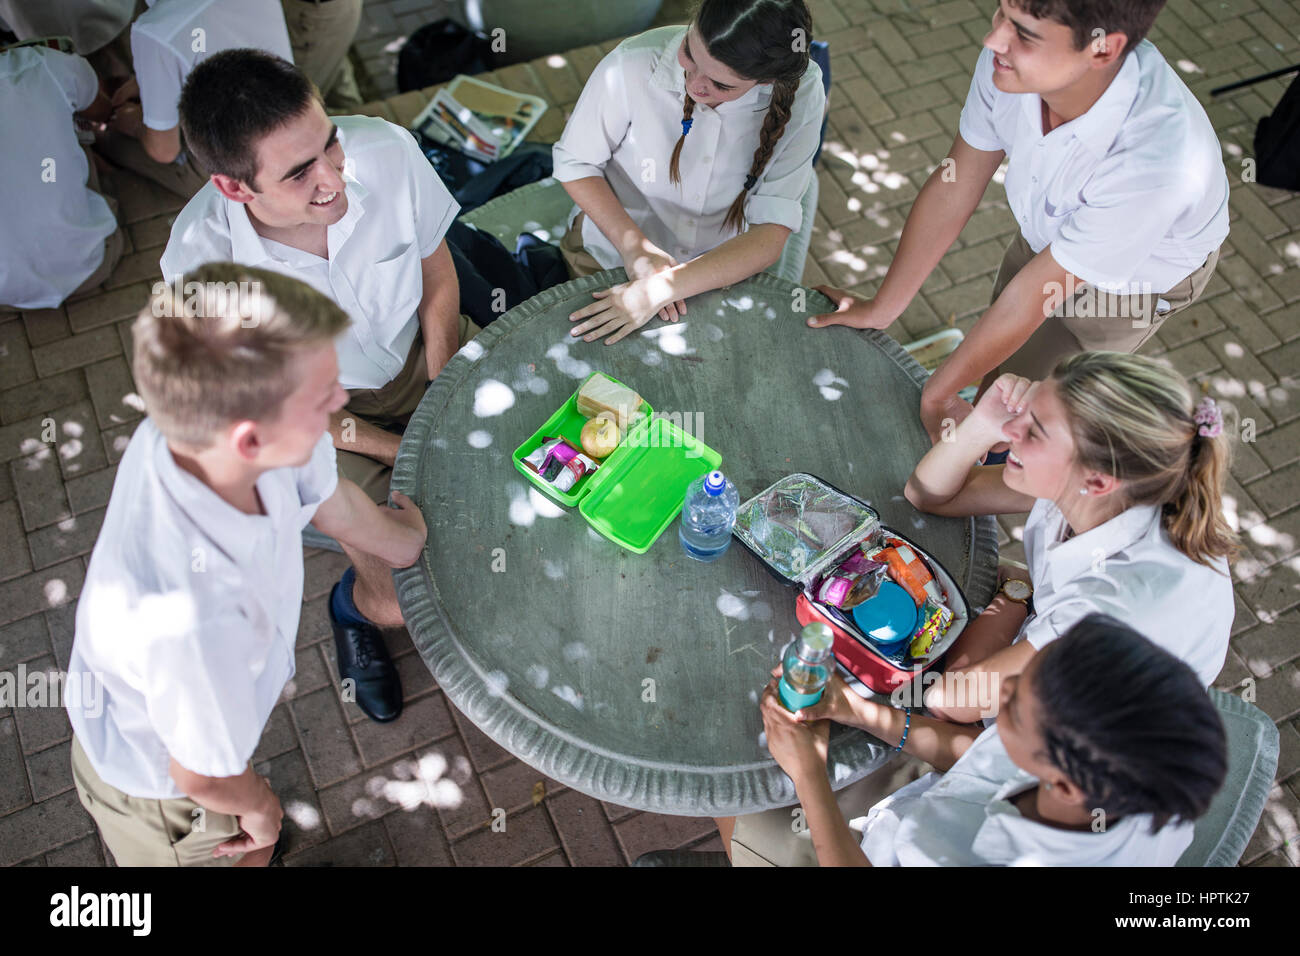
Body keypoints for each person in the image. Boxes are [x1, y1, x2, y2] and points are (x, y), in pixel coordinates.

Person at [65, 264, 427, 866]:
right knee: (244, 853)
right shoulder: (194, 621)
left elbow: (326, 497)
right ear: (250, 442)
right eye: (323, 397)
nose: (340, 405)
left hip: (200, 724)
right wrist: (259, 807)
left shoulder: (219, 427)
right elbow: (198, 775)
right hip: (161, 786)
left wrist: (402, 544)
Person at [159, 49, 467, 721]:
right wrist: (404, 450)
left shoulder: (383, 148)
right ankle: (353, 608)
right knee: (399, 597)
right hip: (324, 427)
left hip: (430, 355)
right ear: (234, 189)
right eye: (300, 173)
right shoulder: (202, 274)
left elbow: (436, 268)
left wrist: (444, 382)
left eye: (330, 144)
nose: (333, 178)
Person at [808, 0, 1228, 446]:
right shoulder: (1012, 61)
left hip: (1130, 287)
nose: (994, 39)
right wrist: (882, 308)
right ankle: (969, 421)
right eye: (1000, 13)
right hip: (1050, 230)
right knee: (997, 372)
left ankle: (979, 470)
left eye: (1025, 33)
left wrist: (939, 394)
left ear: (1104, 50)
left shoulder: (1159, 164)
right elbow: (958, 179)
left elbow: (1032, 298)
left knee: (1026, 415)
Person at [727, 614, 1227, 866]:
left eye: (1011, 708)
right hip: (911, 807)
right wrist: (860, 713)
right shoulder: (1109, 775)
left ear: (1065, 788)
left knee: (737, 783)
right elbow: (980, 761)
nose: (1000, 690)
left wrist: (809, 772)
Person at [903, 351, 1237, 722]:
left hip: (1102, 731)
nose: (1009, 432)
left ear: (1096, 481)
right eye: (1026, 412)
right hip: (1062, 650)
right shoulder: (1109, 486)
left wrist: (1018, 595)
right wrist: (981, 424)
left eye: (1034, 431)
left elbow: (953, 701)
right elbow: (927, 494)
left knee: (921, 695)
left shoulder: (1117, 599)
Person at [552, 0, 825, 344]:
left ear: (768, 81)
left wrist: (658, 291)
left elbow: (770, 232)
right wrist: (636, 250)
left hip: (718, 272)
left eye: (721, 85)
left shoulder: (804, 90)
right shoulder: (631, 63)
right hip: (607, 254)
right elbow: (575, 164)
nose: (694, 85)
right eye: (688, 54)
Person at [97, 0, 293, 198]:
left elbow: (164, 151)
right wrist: (148, 79)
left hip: (244, 164)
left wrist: (134, 124)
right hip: (292, 117)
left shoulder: (155, 30)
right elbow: (207, 43)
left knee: (104, 139)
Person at [0, 40, 124, 309]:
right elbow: (102, 111)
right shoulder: (45, 64)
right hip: (92, 264)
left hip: (6, 292)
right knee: (75, 132)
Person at [279, 0, 363, 111]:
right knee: (332, 62)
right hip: (323, 15)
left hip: (313, 15)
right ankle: (352, 112)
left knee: (294, 93)